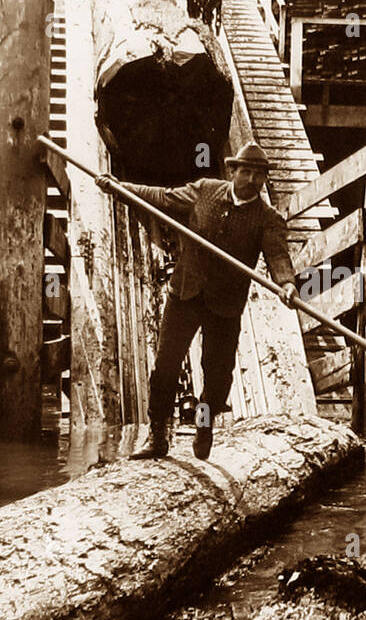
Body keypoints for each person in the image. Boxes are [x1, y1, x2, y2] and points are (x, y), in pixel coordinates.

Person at [95, 143, 299, 460]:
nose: (252, 179)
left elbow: (278, 257)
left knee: (218, 379)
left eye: (259, 174)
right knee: (164, 367)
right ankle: (158, 436)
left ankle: (204, 426)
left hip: (226, 305)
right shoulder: (205, 191)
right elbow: (162, 197)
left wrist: (286, 284)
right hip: (186, 293)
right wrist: (120, 188)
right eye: (246, 171)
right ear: (232, 172)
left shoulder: (268, 219)